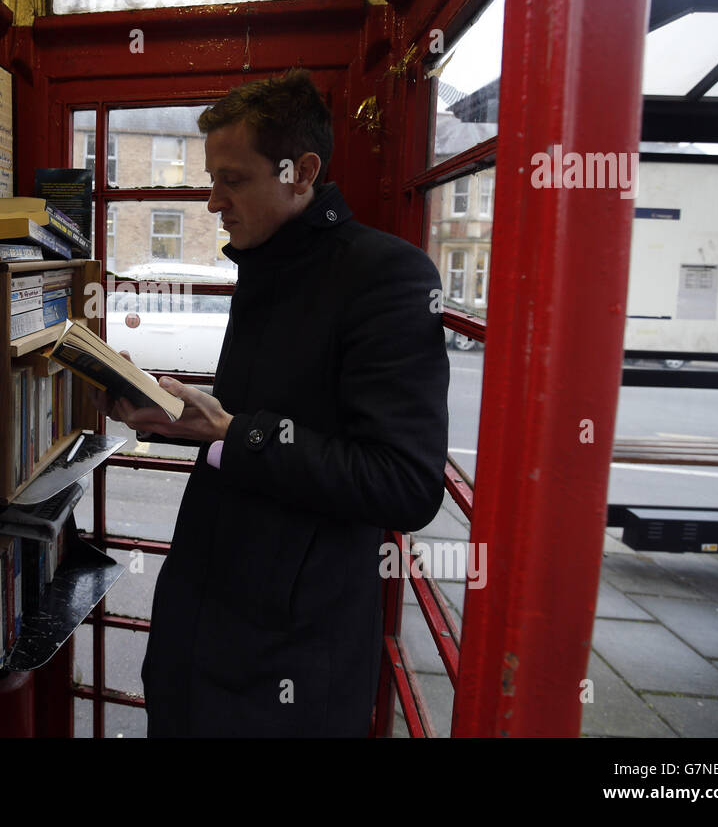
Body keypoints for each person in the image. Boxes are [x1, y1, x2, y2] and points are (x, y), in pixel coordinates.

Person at [89, 68, 449, 737]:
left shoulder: (387, 277)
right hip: (199, 632)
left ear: (301, 172)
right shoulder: (268, 266)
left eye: (233, 179)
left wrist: (232, 430)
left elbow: (405, 483)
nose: (212, 202)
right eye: (211, 178)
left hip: (289, 665)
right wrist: (174, 416)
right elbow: (265, 425)